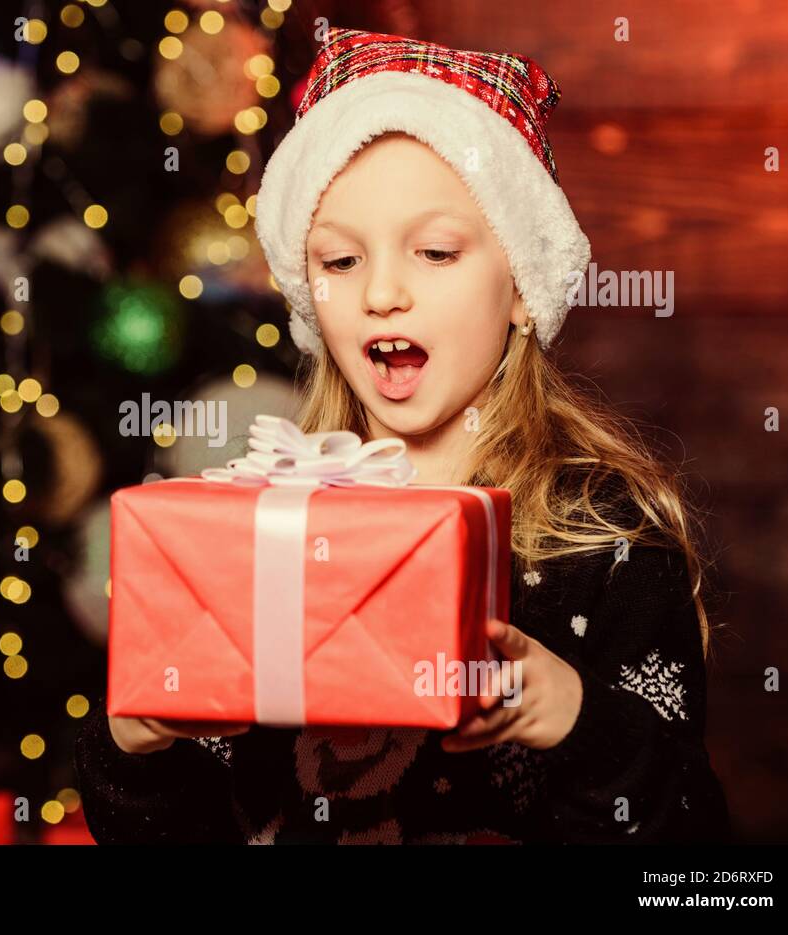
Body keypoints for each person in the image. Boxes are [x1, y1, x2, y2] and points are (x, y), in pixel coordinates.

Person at [74, 28, 731, 843]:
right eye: (341, 262)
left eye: (434, 251)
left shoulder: (603, 535)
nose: (382, 291)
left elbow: (694, 847)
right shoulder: (269, 527)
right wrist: (133, 747)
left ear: (522, 288)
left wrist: (575, 717)